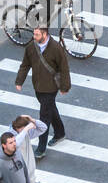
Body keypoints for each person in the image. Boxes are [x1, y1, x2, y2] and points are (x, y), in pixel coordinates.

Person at [14, 25, 70, 159]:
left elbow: (64, 68)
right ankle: (60, 133)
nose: (34, 37)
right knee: (50, 108)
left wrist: (65, 87)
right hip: (38, 86)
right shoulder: (31, 47)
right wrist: (19, 81)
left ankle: (41, 148)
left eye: (37, 35)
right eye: (34, 34)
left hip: (50, 87)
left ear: (45, 34)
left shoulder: (56, 48)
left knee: (44, 116)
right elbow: (25, 64)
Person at [8, 116, 45, 181]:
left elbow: (43, 128)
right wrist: (25, 129)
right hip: (19, 174)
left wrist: (32, 120)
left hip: (29, 173)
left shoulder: (25, 133)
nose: (27, 131)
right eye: (24, 129)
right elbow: (16, 144)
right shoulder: (9, 136)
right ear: (17, 128)